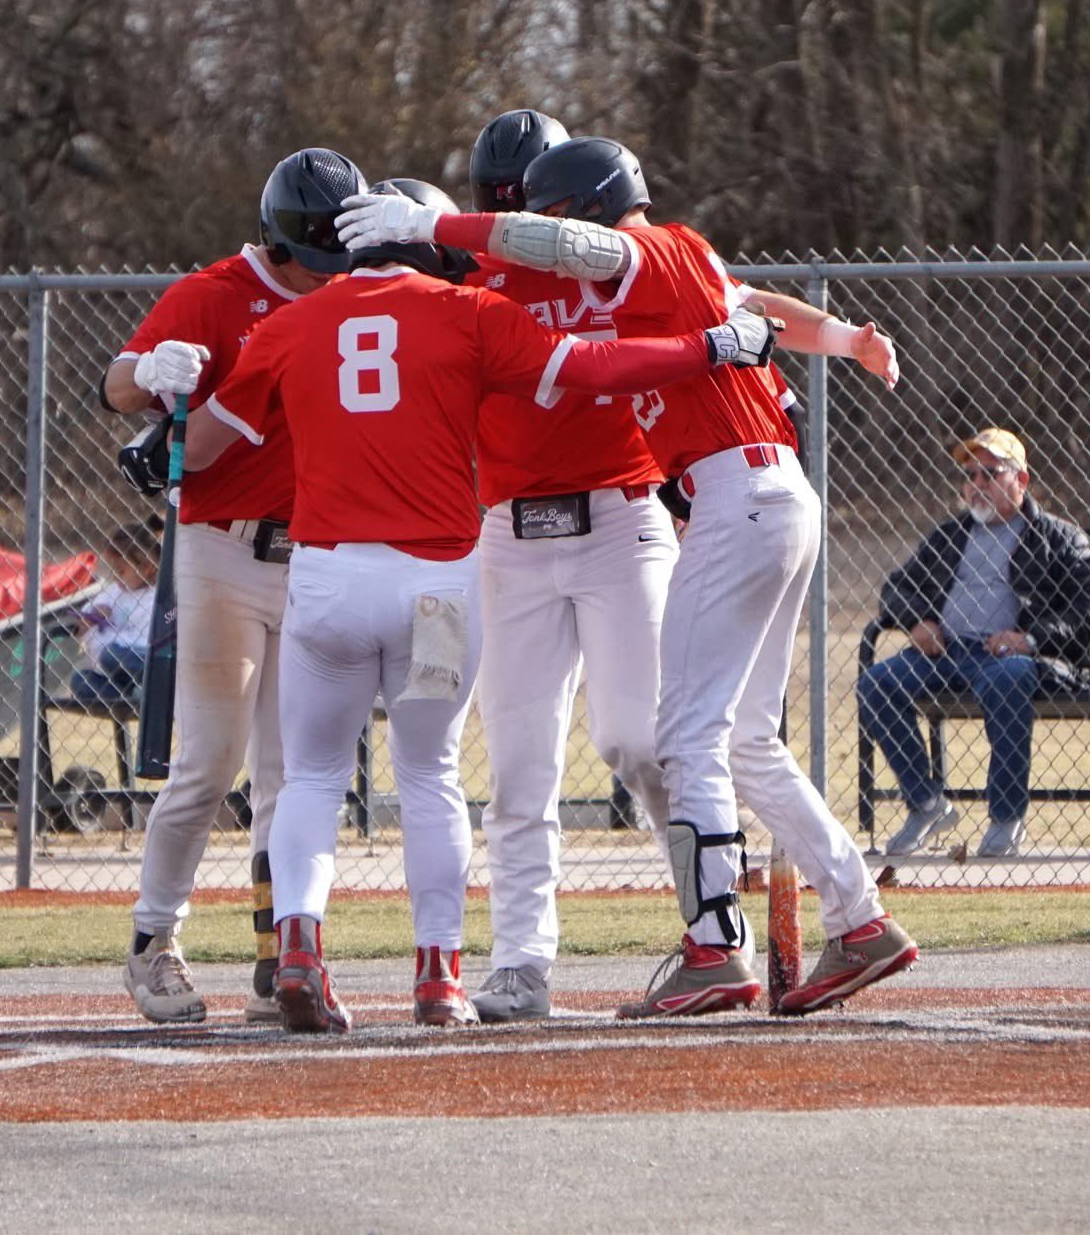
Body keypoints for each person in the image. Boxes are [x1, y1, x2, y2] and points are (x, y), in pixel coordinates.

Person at [334, 136, 918, 1019]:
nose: (529, 223)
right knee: (729, 740)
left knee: (673, 737)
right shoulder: (605, 274)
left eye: (541, 208)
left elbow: (608, 261)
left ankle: (716, 944)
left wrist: (437, 224)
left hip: (685, 505)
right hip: (686, 504)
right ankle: (855, 917)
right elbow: (739, 303)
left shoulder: (642, 252)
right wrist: (844, 339)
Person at [185, 173, 777, 1034]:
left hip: (329, 581)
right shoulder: (467, 312)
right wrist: (711, 347)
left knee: (311, 776)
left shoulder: (290, 322)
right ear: (426, 240)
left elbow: (201, 446)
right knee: (429, 774)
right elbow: (593, 366)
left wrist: (169, 408)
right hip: (435, 585)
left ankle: (300, 947)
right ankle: (439, 974)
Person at [99, 147, 357, 1027]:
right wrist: (151, 372)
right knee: (208, 763)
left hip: (315, 552)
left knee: (293, 773)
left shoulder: (345, 296)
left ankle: (280, 954)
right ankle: (154, 938)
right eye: (311, 257)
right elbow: (115, 384)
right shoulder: (212, 294)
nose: (324, 273)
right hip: (223, 548)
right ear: (277, 237)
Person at [458, 109, 680, 1024]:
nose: (523, 219)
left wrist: (837, 336)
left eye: (535, 201)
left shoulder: (620, 263)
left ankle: (713, 921)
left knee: (642, 739)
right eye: (505, 202)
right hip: (511, 536)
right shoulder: (472, 278)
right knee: (519, 768)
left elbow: (728, 296)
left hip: (621, 520)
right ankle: (521, 960)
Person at [860, 428, 1090, 858]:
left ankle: (1006, 818)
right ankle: (926, 804)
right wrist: (917, 622)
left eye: (990, 474)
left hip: (1011, 660)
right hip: (945, 654)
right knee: (876, 683)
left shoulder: (1058, 538)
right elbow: (897, 587)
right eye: (970, 475)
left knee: (1009, 678)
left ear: (1021, 480)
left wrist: (1030, 638)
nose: (977, 484)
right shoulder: (950, 535)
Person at [67, 519, 161, 708]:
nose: (115, 577)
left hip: (148, 670)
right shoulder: (116, 590)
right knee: (80, 681)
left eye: (121, 571)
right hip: (118, 680)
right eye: (113, 570)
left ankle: (147, 694)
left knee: (111, 654)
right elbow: (86, 615)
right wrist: (95, 613)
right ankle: (135, 698)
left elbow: (143, 646)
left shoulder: (157, 598)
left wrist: (101, 634)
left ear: (147, 568)